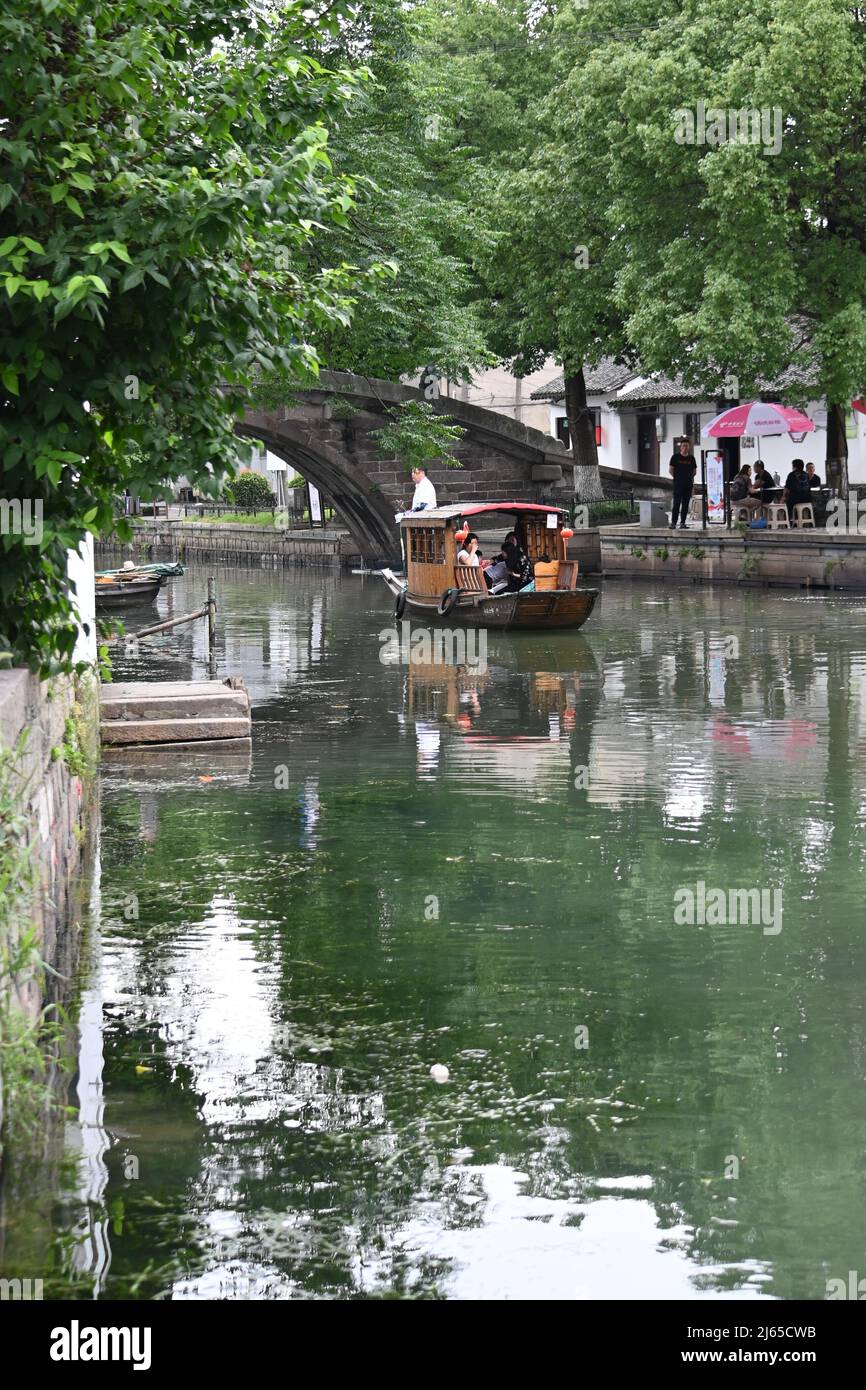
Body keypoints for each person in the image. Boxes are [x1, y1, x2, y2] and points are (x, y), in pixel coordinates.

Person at [668, 438, 697, 529]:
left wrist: (688, 478)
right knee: (676, 504)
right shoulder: (675, 457)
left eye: (687, 446)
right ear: (680, 447)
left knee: (685, 504)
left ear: (689, 447)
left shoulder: (691, 458)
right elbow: (671, 470)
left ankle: (683, 523)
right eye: (683, 446)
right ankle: (673, 522)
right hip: (678, 484)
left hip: (688, 484)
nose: (685, 447)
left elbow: (694, 471)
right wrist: (677, 478)